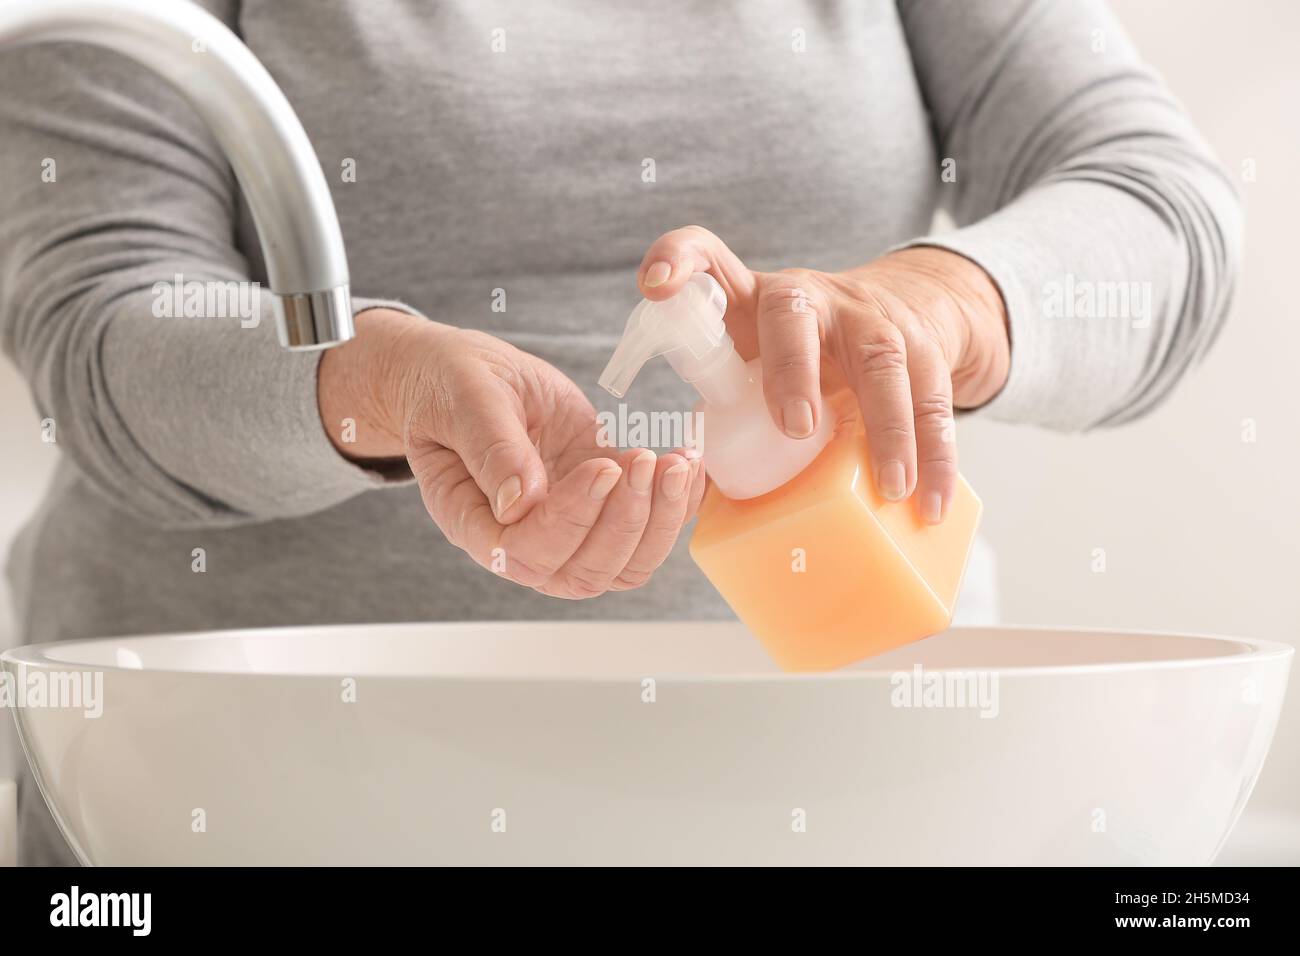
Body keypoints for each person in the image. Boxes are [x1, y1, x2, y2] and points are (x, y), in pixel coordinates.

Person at [0, 0, 1239, 864]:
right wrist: (372, 381)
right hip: (253, 797)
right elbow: (102, 328)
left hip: (847, 791)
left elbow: (1161, 205)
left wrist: (943, 305)